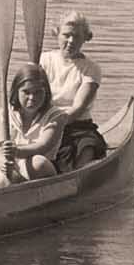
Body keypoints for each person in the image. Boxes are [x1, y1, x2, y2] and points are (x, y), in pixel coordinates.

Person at [42, 10, 107, 170]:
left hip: (77, 127)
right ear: (57, 34)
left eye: (76, 36)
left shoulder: (91, 69)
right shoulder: (43, 60)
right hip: (43, 124)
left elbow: (78, 108)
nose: (71, 41)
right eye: (66, 35)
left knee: (87, 149)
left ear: (85, 38)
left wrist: (55, 126)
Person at [0, 63, 67, 188]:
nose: (32, 98)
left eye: (38, 92)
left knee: (37, 163)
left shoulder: (56, 116)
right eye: (26, 92)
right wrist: (3, 163)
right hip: (12, 167)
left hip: (42, 169)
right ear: (16, 91)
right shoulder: (4, 114)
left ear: (46, 92)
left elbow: (42, 146)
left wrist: (17, 151)